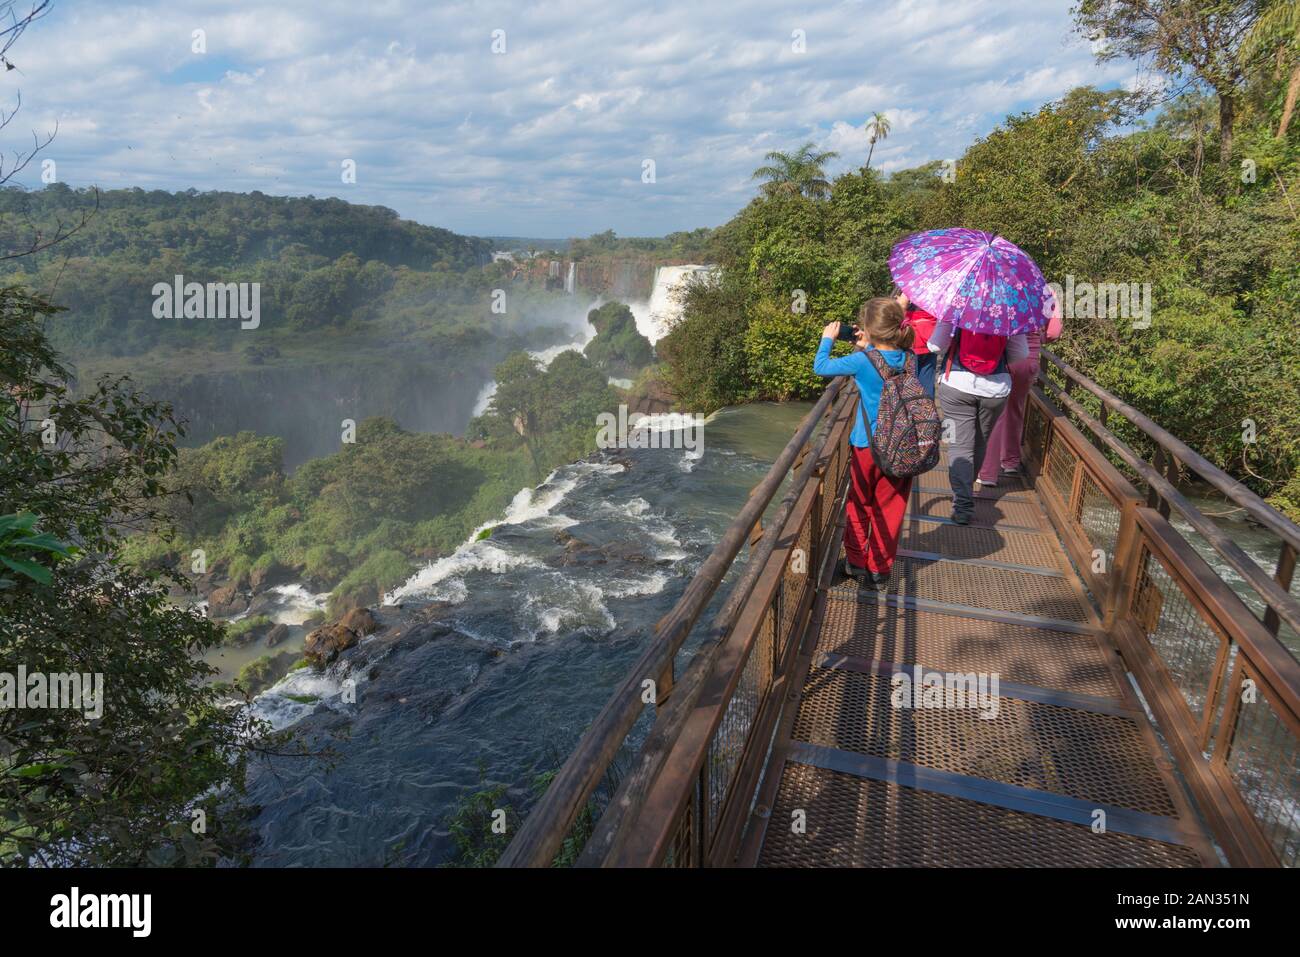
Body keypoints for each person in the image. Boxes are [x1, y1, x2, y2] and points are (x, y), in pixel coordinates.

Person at [813, 298, 916, 586]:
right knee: (891, 507)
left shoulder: (862, 361)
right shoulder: (911, 358)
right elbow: (886, 362)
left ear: (869, 329)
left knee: (859, 504)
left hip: (867, 446)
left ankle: (856, 563)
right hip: (901, 447)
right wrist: (868, 343)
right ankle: (879, 570)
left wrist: (827, 339)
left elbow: (821, 367)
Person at [927, 320, 1029, 524]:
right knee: (981, 442)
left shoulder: (957, 304)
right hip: (995, 390)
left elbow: (935, 346)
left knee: (959, 445)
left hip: (956, 385)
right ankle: (965, 491)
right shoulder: (1008, 311)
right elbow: (1020, 354)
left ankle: (962, 503)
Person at [976, 299, 1063, 487]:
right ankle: (1010, 462)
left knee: (996, 412)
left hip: (1003, 355)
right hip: (1029, 358)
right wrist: (1038, 338)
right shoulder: (1046, 292)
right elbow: (1054, 332)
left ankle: (988, 473)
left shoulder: (1001, 287)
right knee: (1016, 409)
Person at [893, 290, 938, 398]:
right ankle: (928, 410)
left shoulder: (912, 286)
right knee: (927, 381)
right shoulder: (937, 289)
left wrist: (900, 301)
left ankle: (911, 411)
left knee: (909, 383)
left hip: (912, 342)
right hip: (930, 340)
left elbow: (901, 308)